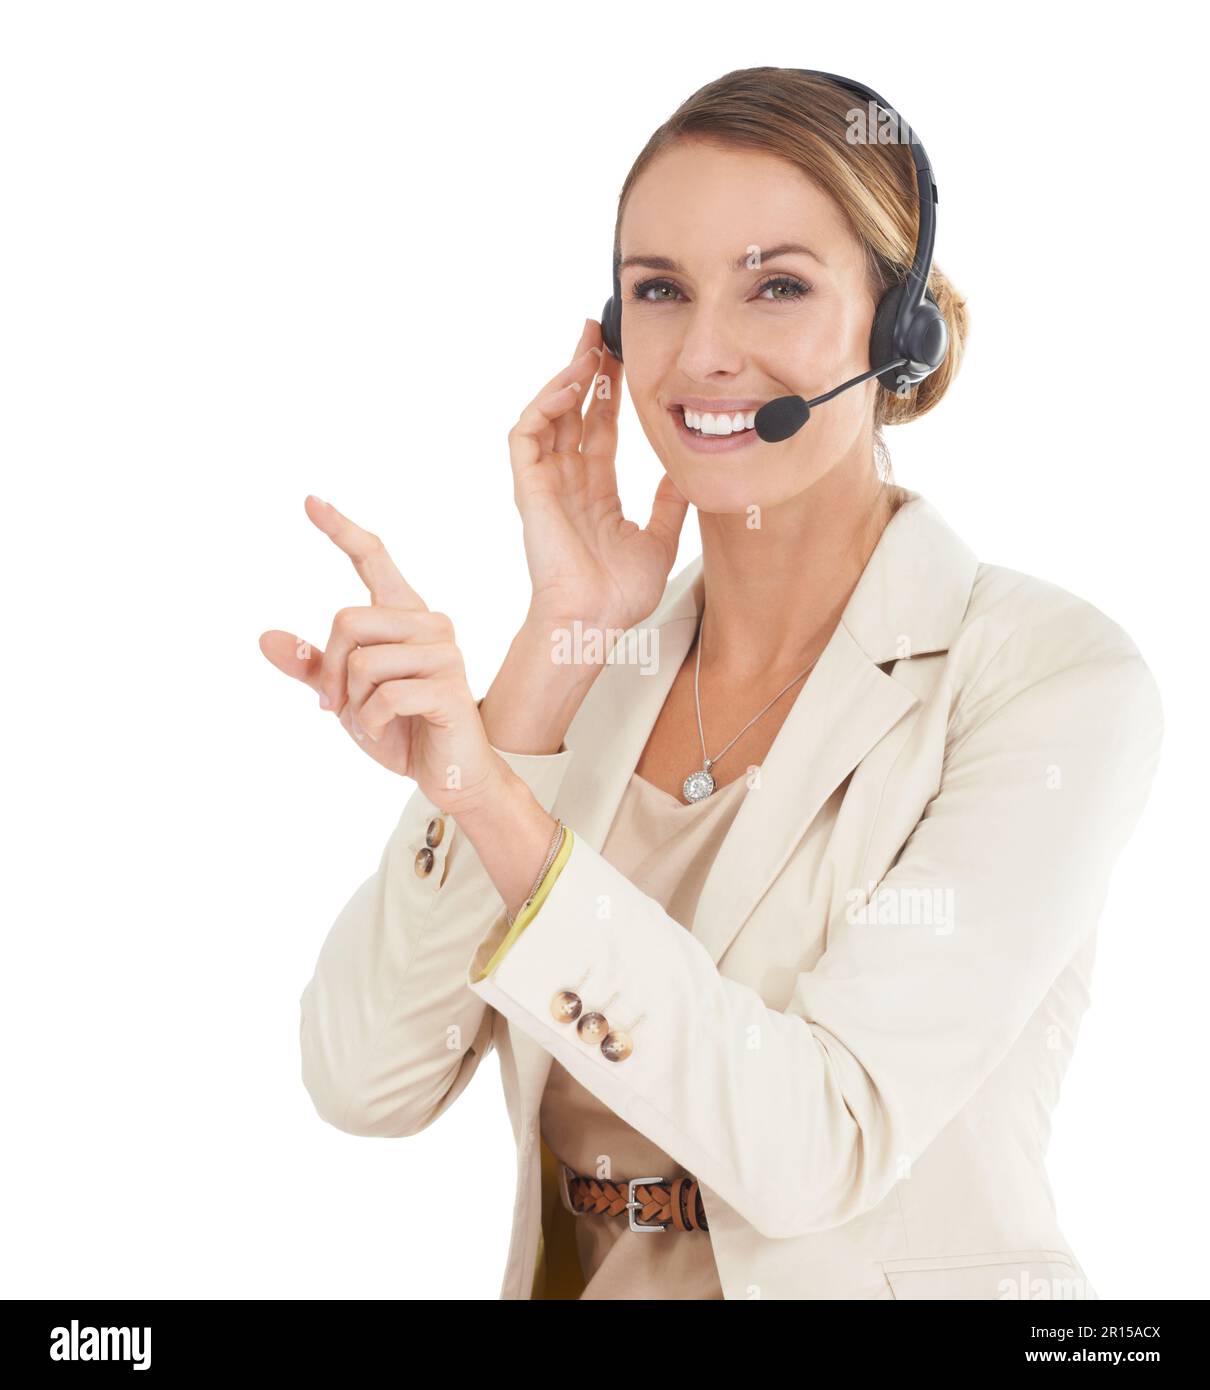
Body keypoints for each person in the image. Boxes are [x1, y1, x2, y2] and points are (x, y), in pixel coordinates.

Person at [262, 68, 1164, 1299]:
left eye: (777, 286)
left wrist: (501, 811)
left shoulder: (1048, 679)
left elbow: (818, 1145)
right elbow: (363, 1081)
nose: (701, 354)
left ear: (896, 331)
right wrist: (545, 661)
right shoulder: (597, 675)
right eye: (659, 293)